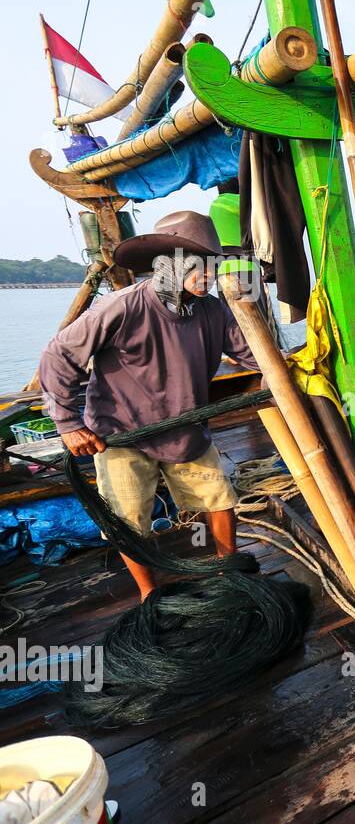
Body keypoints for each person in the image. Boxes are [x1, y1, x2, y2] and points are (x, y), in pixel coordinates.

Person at [39, 211, 260, 600]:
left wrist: (295, 368)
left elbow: (252, 354)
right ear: (168, 266)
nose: (209, 275)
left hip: (187, 428)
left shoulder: (212, 309)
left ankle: (230, 573)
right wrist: (69, 423)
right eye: (198, 267)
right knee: (128, 521)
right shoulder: (120, 307)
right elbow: (58, 356)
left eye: (213, 266)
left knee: (220, 499)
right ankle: (148, 592)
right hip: (122, 434)